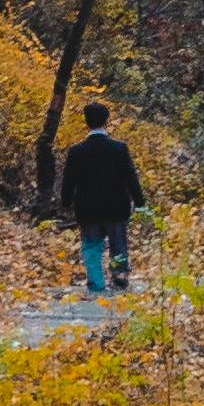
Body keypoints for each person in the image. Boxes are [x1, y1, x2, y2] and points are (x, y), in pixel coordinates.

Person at [61, 99, 141, 298]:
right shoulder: (119, 148)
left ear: (86, 122)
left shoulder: (76, 151)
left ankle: (96, 283)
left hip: (88, 208)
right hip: (116, 206)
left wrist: (65, 201)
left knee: (91, 246)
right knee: (118, 242)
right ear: (107, 121)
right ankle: (119, 276)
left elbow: (69, 180)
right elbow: (130, 176)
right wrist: (139, 201)